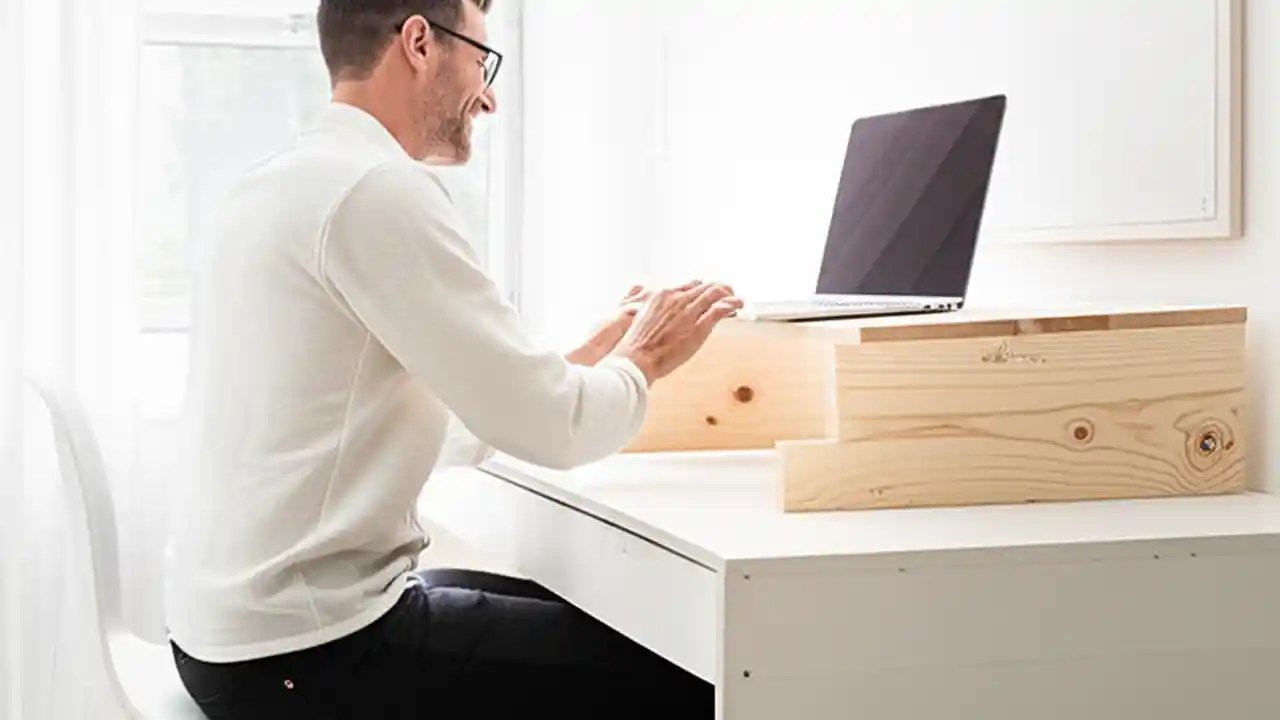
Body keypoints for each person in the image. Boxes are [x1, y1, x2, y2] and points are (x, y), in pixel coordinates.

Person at [163, 0, 740, 718]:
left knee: (592, 618)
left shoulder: (280, 184)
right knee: (696, 675)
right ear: (418, 43)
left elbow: (405, 418)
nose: (489, 96)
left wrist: (593, 356)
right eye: (481, 61)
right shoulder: (377, 191)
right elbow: (558, 433)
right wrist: (645, 357)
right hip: (308, 658)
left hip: (235, 641)